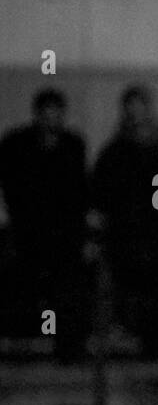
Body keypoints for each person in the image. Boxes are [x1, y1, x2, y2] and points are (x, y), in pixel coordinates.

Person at [91, 85, 158, 356]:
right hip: (127, 241)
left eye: (139, 106)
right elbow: (100, 194)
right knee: (131, 296)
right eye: (131, 107)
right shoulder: (114, 153)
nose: (135, 113)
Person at [0, 88, 90, 359]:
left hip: (62, 235)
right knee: (28, 291)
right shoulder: (17, 145)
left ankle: (65, 347)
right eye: (46, 116)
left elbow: (79, 192)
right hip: (30, 233)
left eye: (55, 116)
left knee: (64, 295)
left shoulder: (73, 145)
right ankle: (24, 344)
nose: (51, 121)